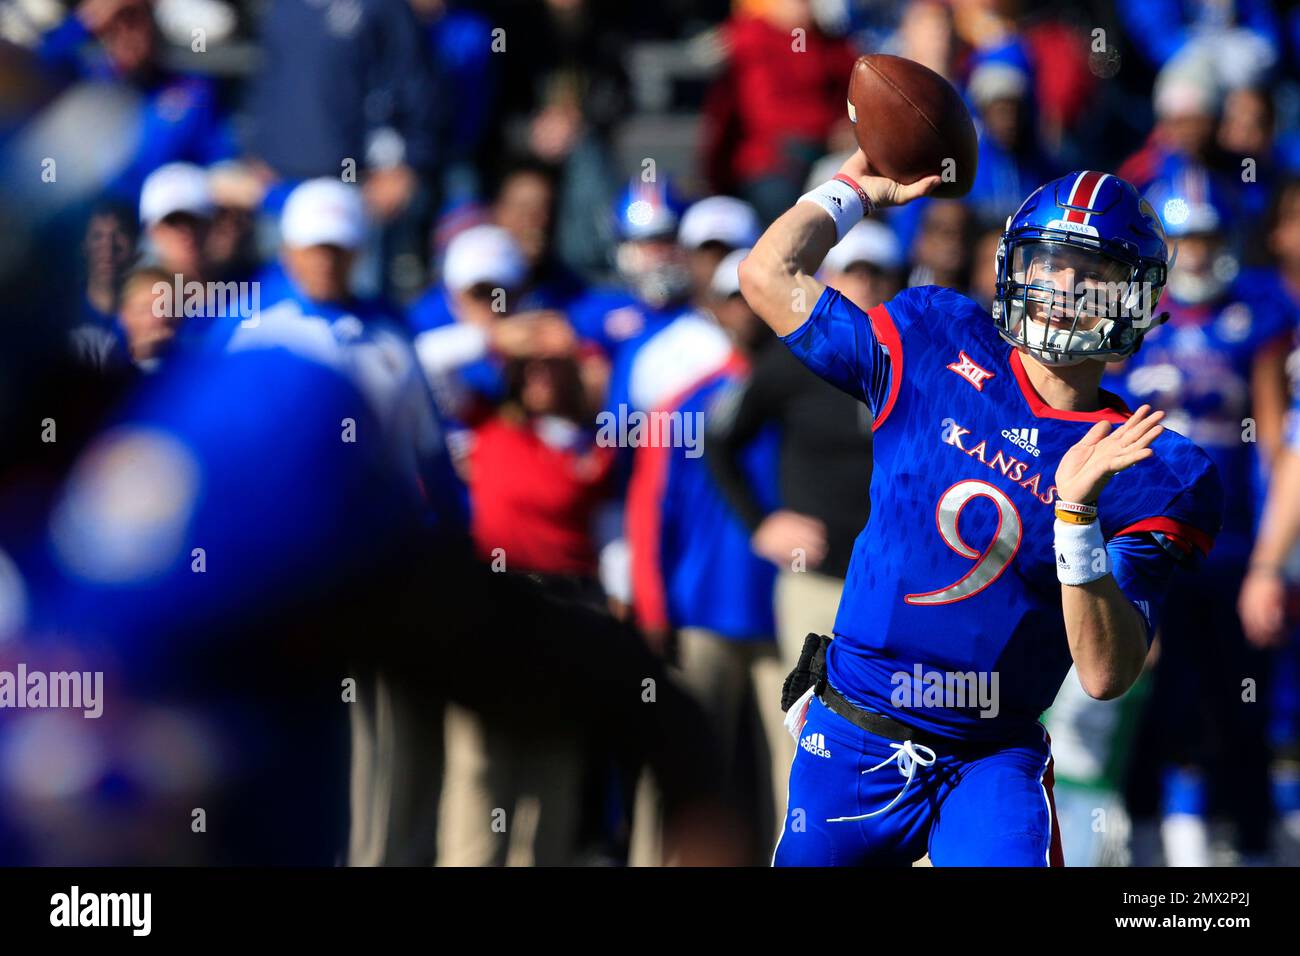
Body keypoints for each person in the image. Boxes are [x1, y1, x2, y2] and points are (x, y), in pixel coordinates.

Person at [740, 158, 1223, 866]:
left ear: (1139, 301)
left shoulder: (1151, 467)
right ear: (1013, 266)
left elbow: (1105, 672)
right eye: (1051, 263)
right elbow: (767, 276)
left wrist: (1077, 519)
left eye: (1092, 273)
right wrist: (857, 193)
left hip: (988, 759)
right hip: (853, 731)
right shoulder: (937, 338)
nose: (1064, 288)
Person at [707, 220, 900, 667]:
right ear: (830, 279)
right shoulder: (794, 358)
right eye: (855, 271)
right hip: (816, 580)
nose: (866, 285)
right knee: (807, 728)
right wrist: (760, 523)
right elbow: (718, 439)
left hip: (897, 589)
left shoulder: (921, 368)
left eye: (879, 273)